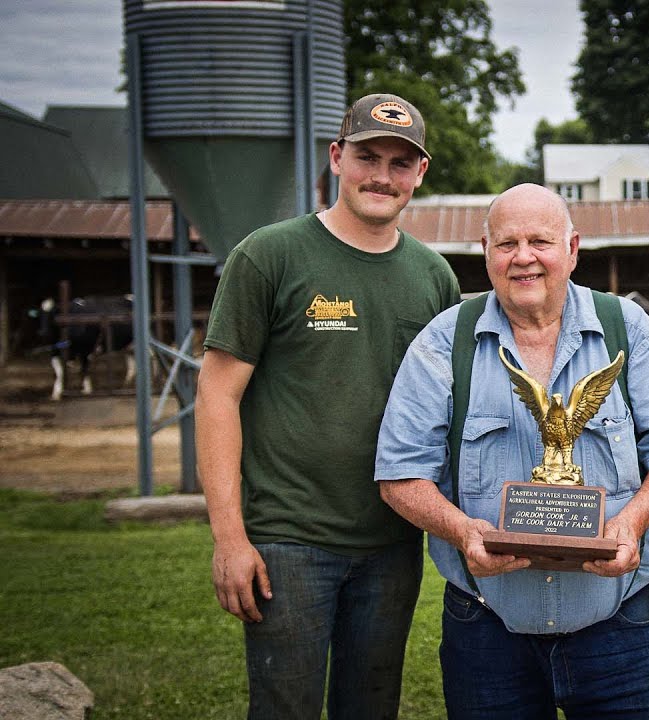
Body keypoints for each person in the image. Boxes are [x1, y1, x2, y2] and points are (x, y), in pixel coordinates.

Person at [374, 183, 649, 719]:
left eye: (540, 241)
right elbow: (398, 474)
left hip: (622, 629)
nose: (523, 257)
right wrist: (464, 531)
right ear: (485, 251)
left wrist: (631, 524)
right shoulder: (445, 343)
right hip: (487, 634)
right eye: (506, 243)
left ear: (572, 249)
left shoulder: (628, 331)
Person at [195, 93, 460, 719]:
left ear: (419, 174)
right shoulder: (270, 255)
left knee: (370, 708)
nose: (382, 176)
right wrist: (230, 538)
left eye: (401, 163)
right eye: (368, 156)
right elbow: (216, 395)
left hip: (391, 541)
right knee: (284, 708)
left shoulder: (434, 278)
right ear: (337, 158)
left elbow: (448, 412)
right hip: (289, 540)